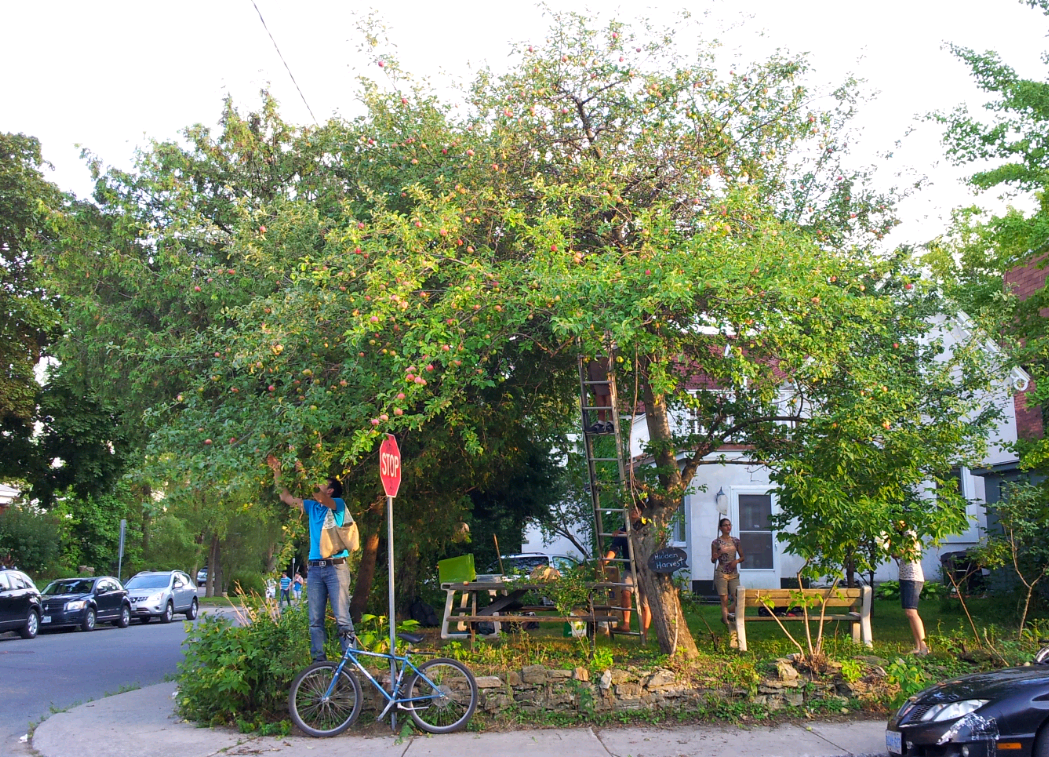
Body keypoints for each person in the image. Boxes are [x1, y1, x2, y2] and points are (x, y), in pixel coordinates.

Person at [273, 463, 355, 662]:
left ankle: (351, 661)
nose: (317, 483)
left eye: (322, 482)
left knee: (342, 618)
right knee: (315, 621)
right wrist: (276, 469)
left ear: (330, 490)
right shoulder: (312, 506)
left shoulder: (337, 504)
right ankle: (319, 662)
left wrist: (299, 465)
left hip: (336, 567)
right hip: (315, 569)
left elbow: (319, 496)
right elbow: (285, 497)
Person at [891, 527, 929, 655]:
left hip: (912, 576)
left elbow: (909, 551)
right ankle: (918, 646)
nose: (895, 524)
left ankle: (924, 646)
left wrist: (896, 548)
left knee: (911, 611)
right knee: (909, 613)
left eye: (897, 521)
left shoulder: (910, 533)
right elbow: (895, 554)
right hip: (905, 577)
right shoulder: (901, 536)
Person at [711, 518, 744, 625]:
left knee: (738, 598)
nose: (728, 527)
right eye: (725, 525)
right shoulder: (716, 542)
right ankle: (727, 622)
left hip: (733, 573)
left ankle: (727, 614)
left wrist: (737, 561)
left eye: (729, 525)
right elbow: (713, 560)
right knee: (724, 599)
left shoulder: (735, 541)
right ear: (721, 528)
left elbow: (743, 557)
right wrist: (717, 555)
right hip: (721, 573)